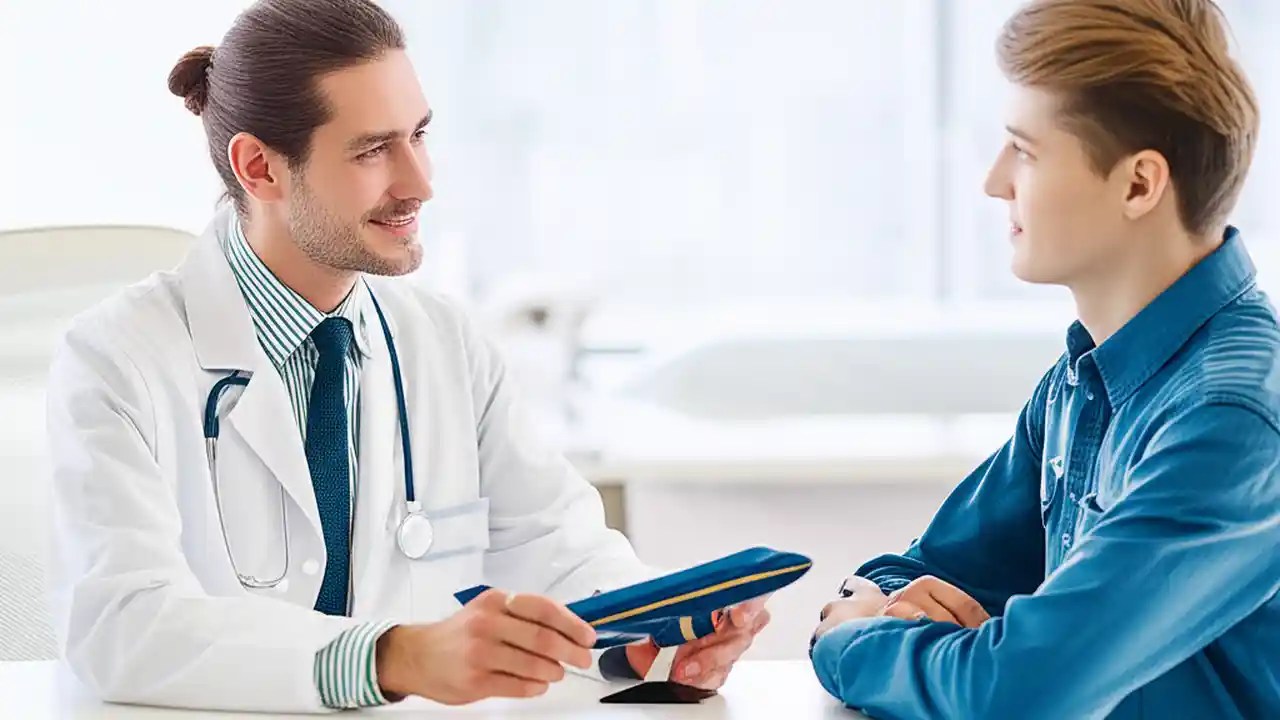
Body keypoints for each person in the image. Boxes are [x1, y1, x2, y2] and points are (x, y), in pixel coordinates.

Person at [44, 0, 767, 712]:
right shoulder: (116, 358)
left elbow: (561, 549)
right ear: (260, 167)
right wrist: (392, 656)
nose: (420, 182)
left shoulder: (444, 342)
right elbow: (124, 625)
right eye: (371, 150)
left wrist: (647, 637)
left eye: (419, 135)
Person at [809, 1, 1279, 718]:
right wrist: (882, 612)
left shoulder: (1231, 420)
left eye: (1024, 151)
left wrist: (856, 641)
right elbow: (913, 573)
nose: (995, 181)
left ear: (1139, 184)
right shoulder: (1086, 378)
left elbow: (1020, 693)